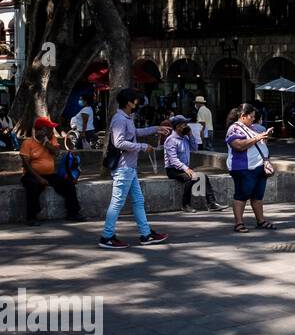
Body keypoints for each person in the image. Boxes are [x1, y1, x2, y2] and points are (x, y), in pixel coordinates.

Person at [99, 88, 171, 249]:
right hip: (124, 168)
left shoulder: (126, 117)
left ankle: (145, 234)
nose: (137, 103)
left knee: (138, 201)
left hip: (129, 168)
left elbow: (134, 132)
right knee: (117, 202)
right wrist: (142, 146)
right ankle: (107, 236)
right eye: (135, 100)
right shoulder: (119, 119)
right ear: (128, 102)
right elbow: (119, 142)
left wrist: (155, 128)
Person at [20, 116, 83, 224]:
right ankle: (32, 217)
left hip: (49, 174)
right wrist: (38, 178)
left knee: (68, 184)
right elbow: (26, 165)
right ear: (40, 130)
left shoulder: (51, 139)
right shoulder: (27, 143)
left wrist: (45, 143)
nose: (51, 131)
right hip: (32, 174)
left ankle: (73, 213)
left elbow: (56, 152)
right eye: (48, 129)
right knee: (32, 185)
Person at [225, 103, 276, 232]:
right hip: (243, 168)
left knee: (258, 196)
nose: (253, 119)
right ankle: (239, 223)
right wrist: (257, 137)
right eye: (251, 116)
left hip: (259, 167)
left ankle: (261, 220)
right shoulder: (234, 129)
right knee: (242, 195)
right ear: (243, 116)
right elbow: (238, 145)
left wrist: (265, 136)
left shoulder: (253, 128)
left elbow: (260, 143)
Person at [163, 114, 221, 213]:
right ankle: (185, 205)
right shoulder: (171, 140)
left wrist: (190, 135)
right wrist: (186, 169)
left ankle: (212, 204)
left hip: (184, 168)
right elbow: (173, 160)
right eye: (184, 124)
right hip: (173, 170)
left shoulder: (185, 138)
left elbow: (195, 148)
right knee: (192, 177)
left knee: (204, 176)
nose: (186, 126)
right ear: (177, 127)